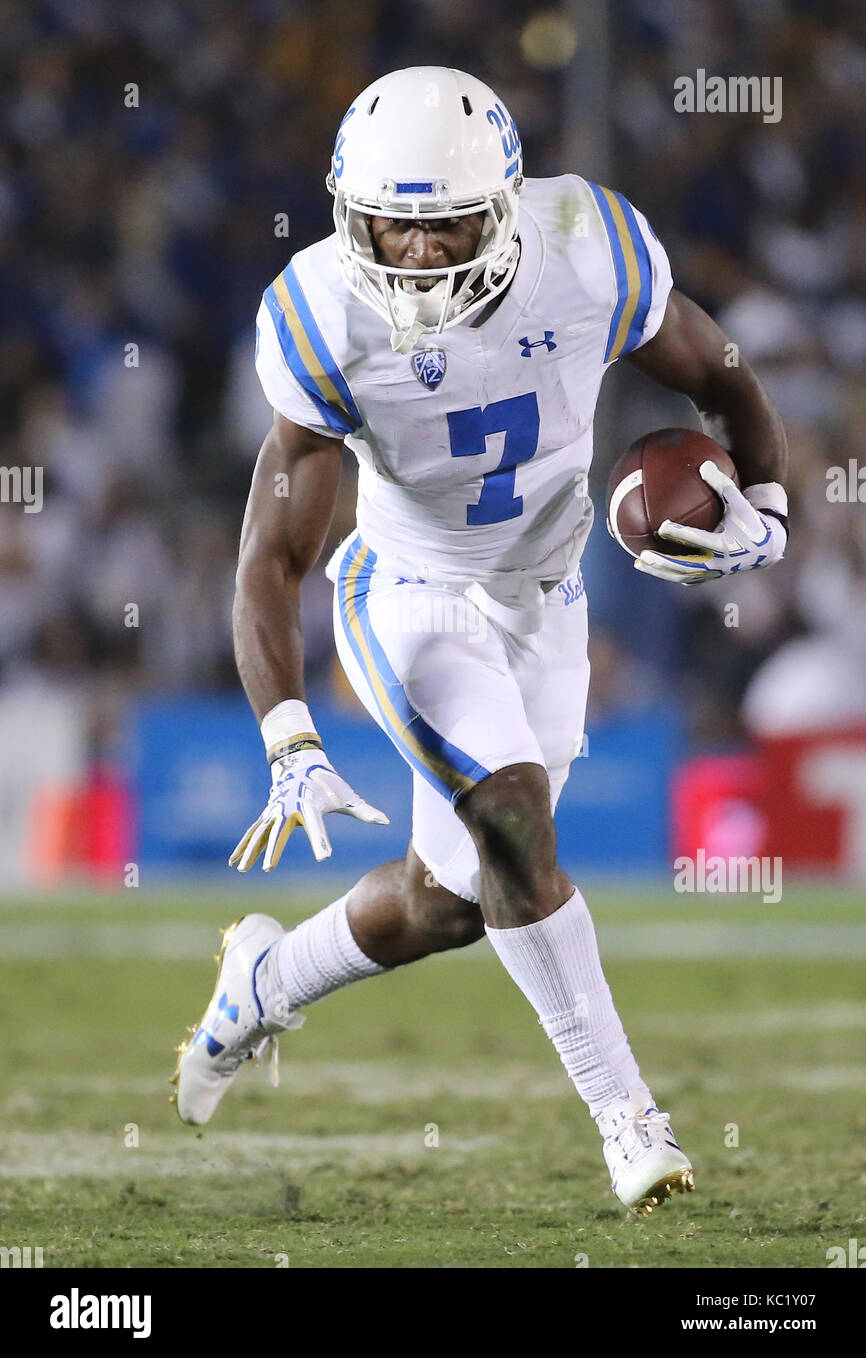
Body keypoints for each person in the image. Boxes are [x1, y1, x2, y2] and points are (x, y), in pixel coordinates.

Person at [172, 67, 788, 1215]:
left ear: (502, 204)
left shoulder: (586, 246)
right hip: (405, 592)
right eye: (385, 223)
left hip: (546, 598)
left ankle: (264, 976)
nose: (408, 251)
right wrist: (288, 736)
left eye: (437, 219)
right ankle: (628, 1119)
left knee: (452, 900)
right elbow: (269, 554)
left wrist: (767, 506)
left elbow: (718, 371)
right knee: (510, 813)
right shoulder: (320, 313)